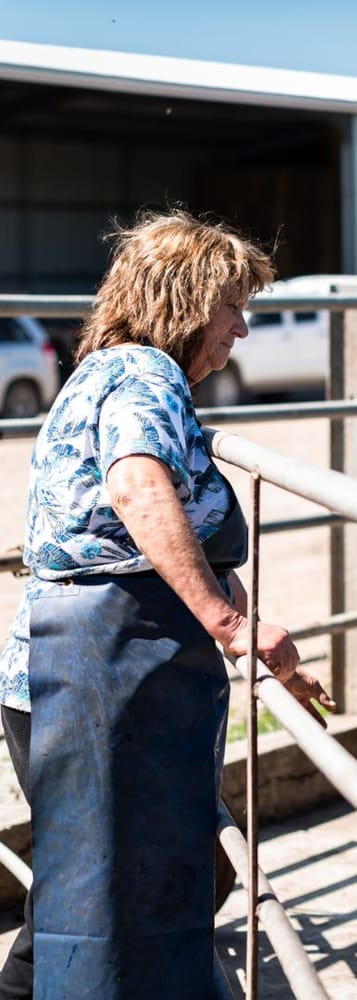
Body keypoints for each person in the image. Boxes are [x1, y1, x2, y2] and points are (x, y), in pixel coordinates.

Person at [0, 209, 335, 999]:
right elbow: (139, 486)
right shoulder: (144, 376)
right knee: (93, 893)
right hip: (94, 672)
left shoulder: (110, 373)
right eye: (234, 308)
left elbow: (184, 526)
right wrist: (229, 623)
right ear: (187, 301)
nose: (243, 330)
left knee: (94, 885)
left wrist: (251, 636)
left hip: (85, 670)